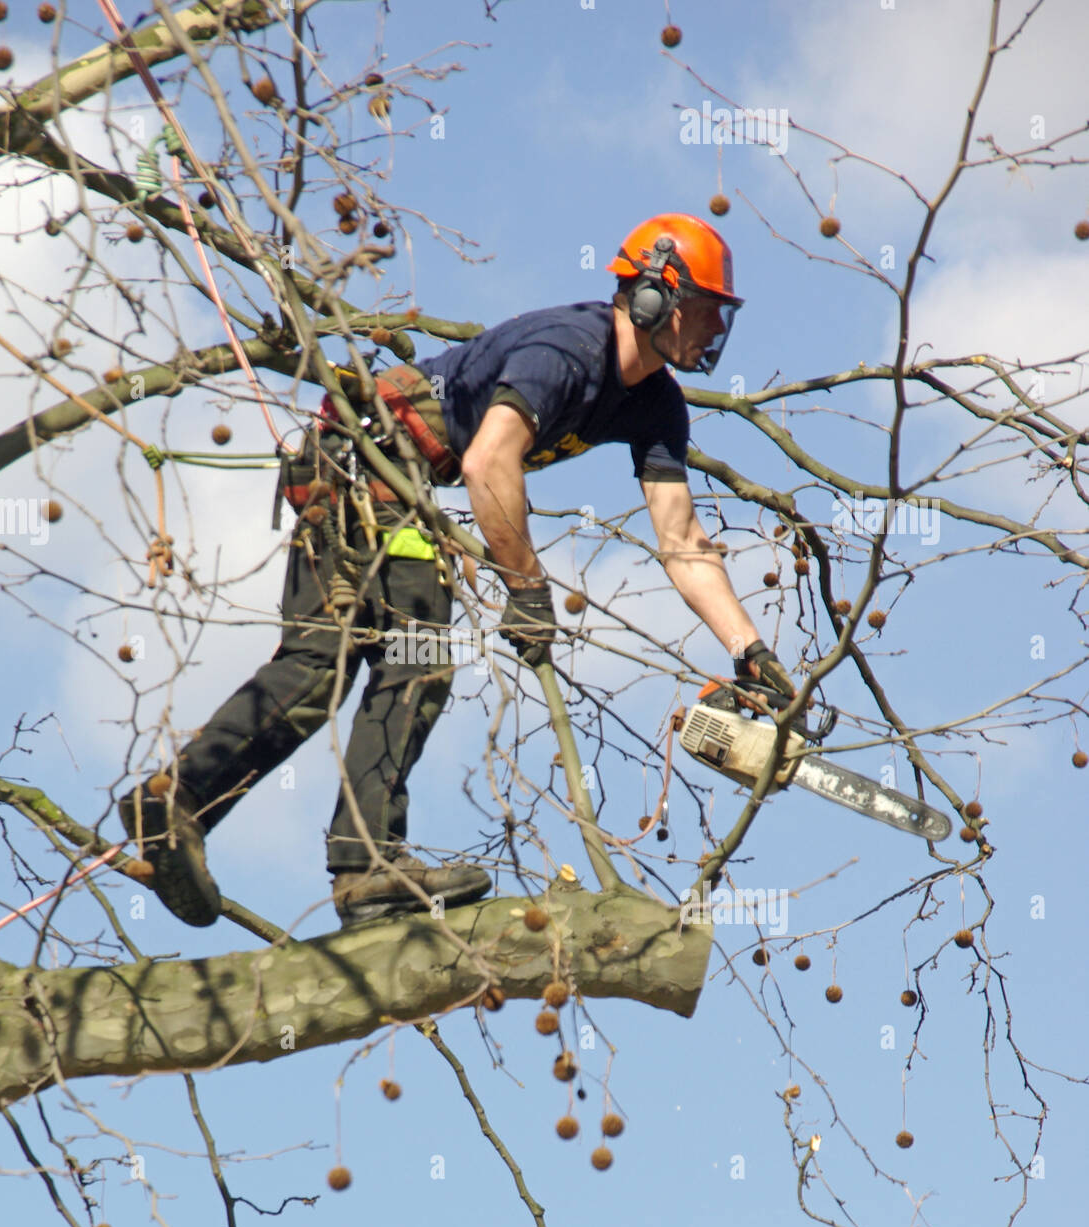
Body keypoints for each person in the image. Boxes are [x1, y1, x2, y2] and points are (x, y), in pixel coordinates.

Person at [119, 213, 795, 928]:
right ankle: (341, 858)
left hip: (395, 480)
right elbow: (487, 461)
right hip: (368, 460)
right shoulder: (568, 350)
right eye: (702, 310)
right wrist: (527, 587)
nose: (710, 331)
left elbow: (682, 539)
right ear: (655, 296)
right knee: (398, 656)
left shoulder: (658, 404)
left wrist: (749, 652)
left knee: (333, 662)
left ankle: (214, 816)